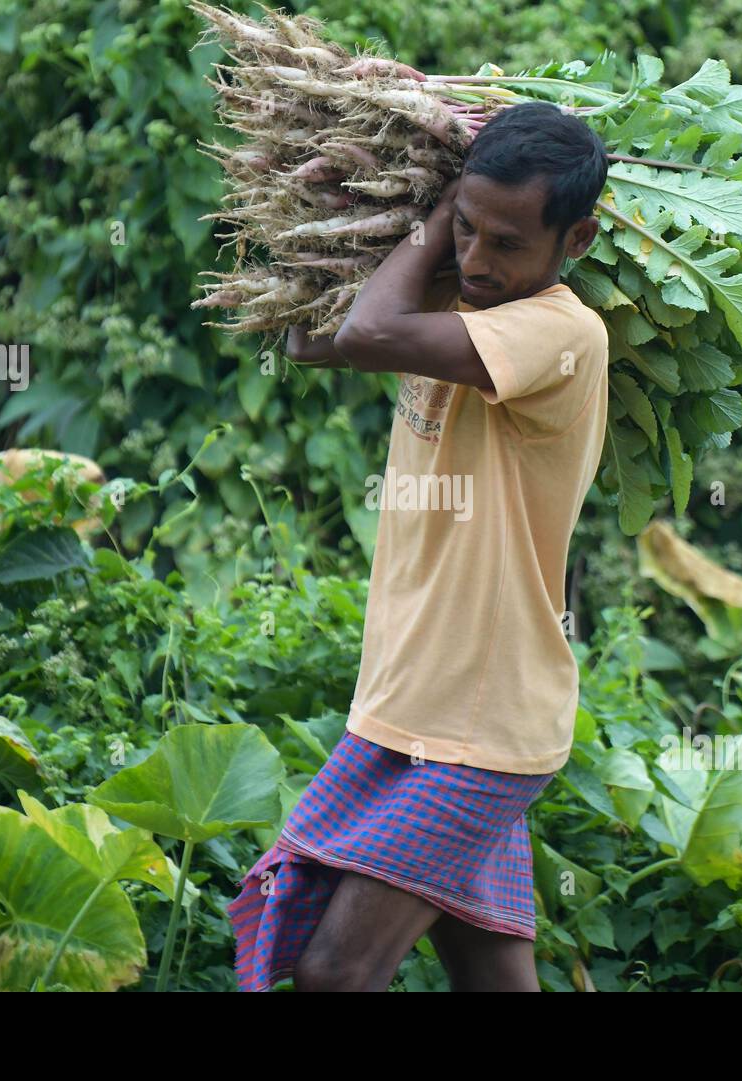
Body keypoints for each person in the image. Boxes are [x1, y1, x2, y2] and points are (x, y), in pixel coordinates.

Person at [226, 99, 610, 992]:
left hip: (479, 724)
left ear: (576, 240)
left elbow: (365, 333)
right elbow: (313, 336)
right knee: (491, 978)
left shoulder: (560, 332)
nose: (477, 261)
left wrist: (435, 218)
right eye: (467, 229)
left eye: (507, 243)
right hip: (409, 701)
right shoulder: (462, 296)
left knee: (333, 971)